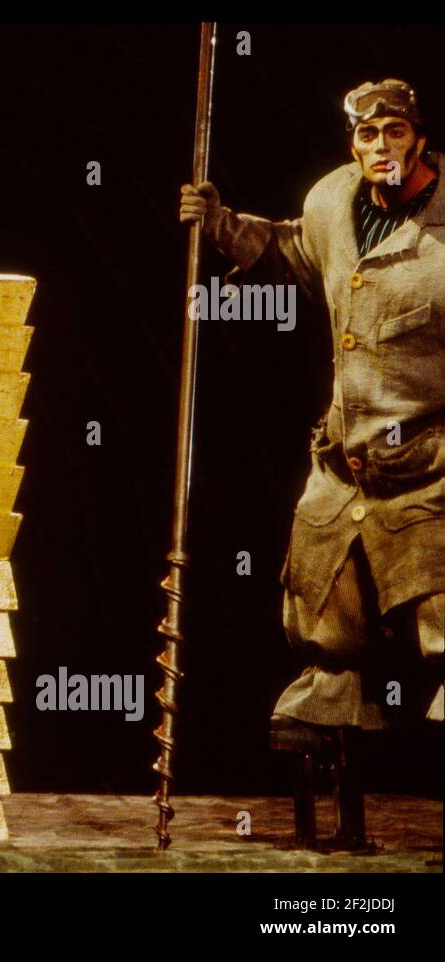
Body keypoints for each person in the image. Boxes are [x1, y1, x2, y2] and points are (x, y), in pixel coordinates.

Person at [178, 78, 445, 747]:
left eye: (395, 132)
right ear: (352, 141)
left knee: (441, 600)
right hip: (348, 460)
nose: (382, 146)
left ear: (419, 136)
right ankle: (334, 692)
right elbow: (294, 250)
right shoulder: (333, 200)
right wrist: (222, 225)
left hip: (433, 461)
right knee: (324, 592)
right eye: (367, 134)